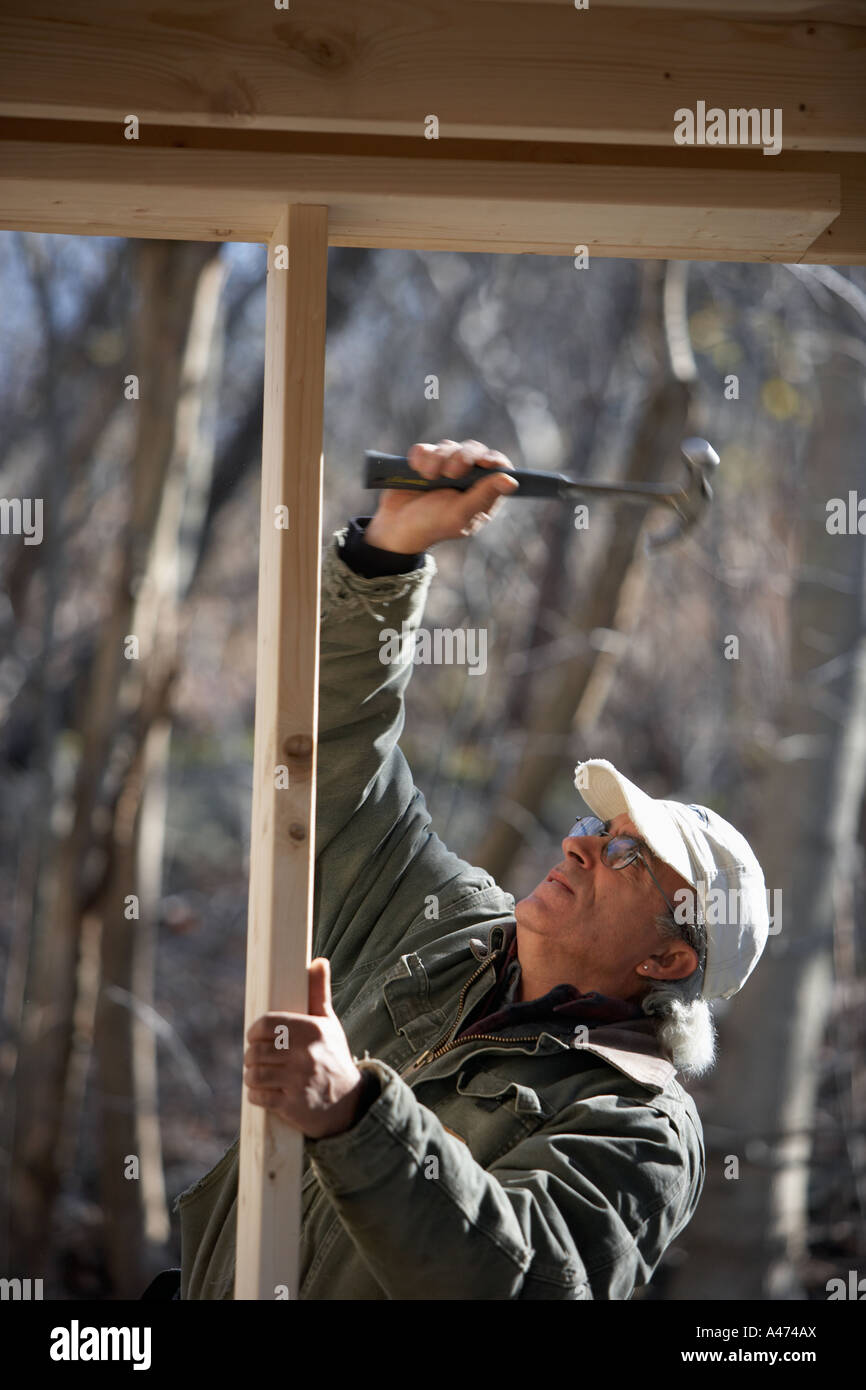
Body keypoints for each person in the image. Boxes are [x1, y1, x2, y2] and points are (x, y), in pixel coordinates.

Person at [173, 438, 769, 1301]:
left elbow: (519, 1282)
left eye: (627, 856)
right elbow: (336, 759)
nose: (579, 847)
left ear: (671, 959)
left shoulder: (642, 1128)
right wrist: (387, 556)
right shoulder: (440, 923)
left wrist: (353, 1112)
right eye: (594, 827)